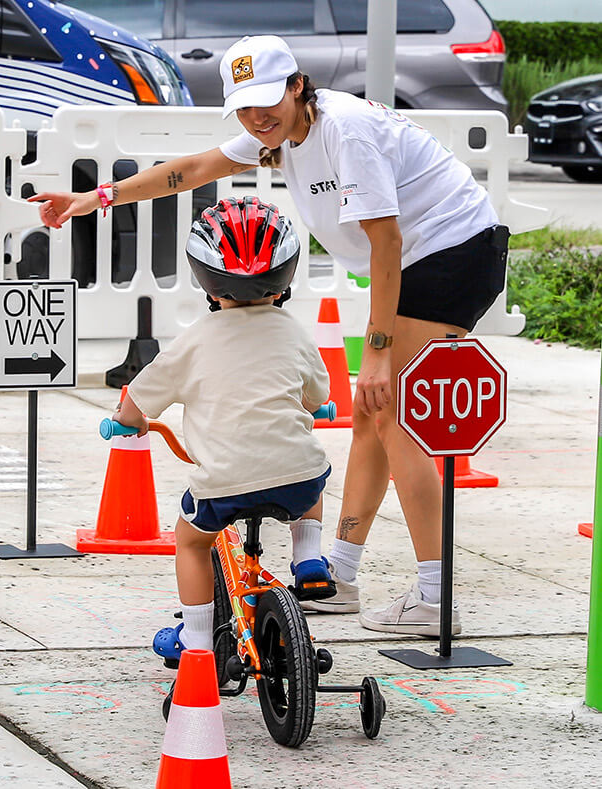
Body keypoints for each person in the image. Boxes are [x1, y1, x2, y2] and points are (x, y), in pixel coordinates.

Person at [32, 35, 510, 636]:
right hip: (421, 263)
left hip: (452, 253)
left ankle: (435, 596)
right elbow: (193, 169)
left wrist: (379, 356)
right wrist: (93, 199)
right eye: (246, 107)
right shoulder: (277, 135)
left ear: (297, 86)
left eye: (270, 101)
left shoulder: (346, 131)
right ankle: (339, 574)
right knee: (371, 417)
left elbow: (386, 243)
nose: (260, 117)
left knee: (391, 417)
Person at [108, 198, 334, 663]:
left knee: (190, 541)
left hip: (224, 485)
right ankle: (308, 558)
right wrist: (314, 406)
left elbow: (138, 398)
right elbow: (316, 395)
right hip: (295, 480)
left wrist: (125, 422)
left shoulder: (194, 340)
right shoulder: (294, 333)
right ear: (285, 277)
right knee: (310, 465)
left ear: (207, 281)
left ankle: (194, 641)